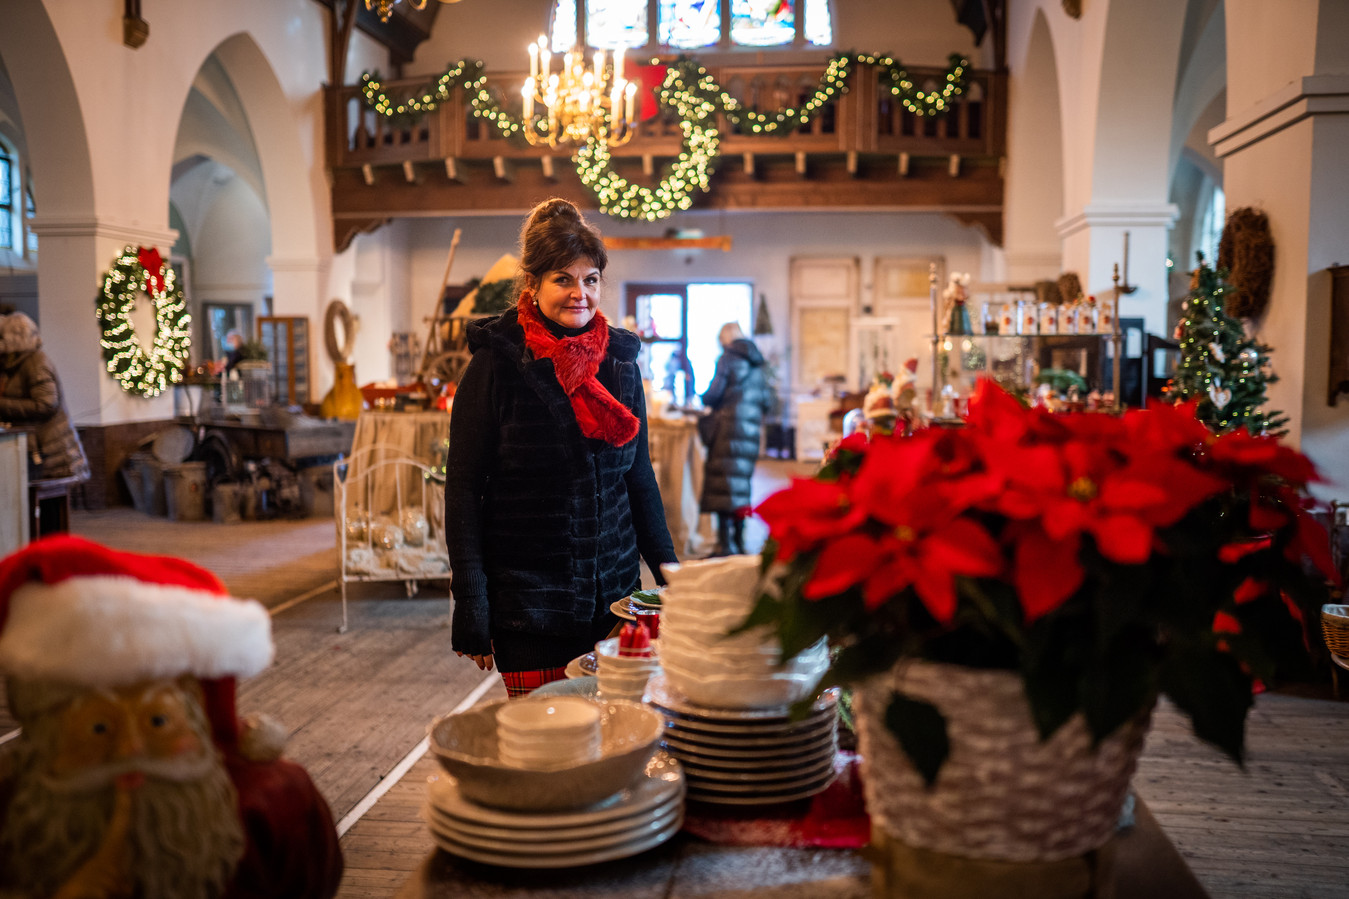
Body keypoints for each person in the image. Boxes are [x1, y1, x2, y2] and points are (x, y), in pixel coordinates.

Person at [0, 535, 343, 899]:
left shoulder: (276, 801)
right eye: (99, 728)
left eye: (158, 722)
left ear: (196, 717)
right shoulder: (10, 804)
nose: (130, 747)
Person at [444, 198, 678, 698]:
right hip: (529, 608)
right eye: (563, 279)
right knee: (543, 755)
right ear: (533, 285)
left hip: (615, 606)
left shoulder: (619, 364)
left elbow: (638, 477)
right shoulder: (495, 364)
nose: (580, 293)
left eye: (590, 279)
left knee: (615, 743)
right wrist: (472, 602)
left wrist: (669, 572)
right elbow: (463, 490)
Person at [699, 321, 772, 556]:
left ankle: (724, 544)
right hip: (749, 431)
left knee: (722, 483)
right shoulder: (758, 363)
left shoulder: (727, 358)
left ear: (725, 339)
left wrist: (703, 397)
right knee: (740, 486)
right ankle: (739, 542)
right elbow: (768, 402)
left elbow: (713, 395)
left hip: (727, 428)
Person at [0, 311, 90, 482]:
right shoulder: (13, 364)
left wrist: (2, 405)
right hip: (35, 451)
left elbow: (46, 404)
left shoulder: (35, 362)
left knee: (47, 507)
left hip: (49, 453)